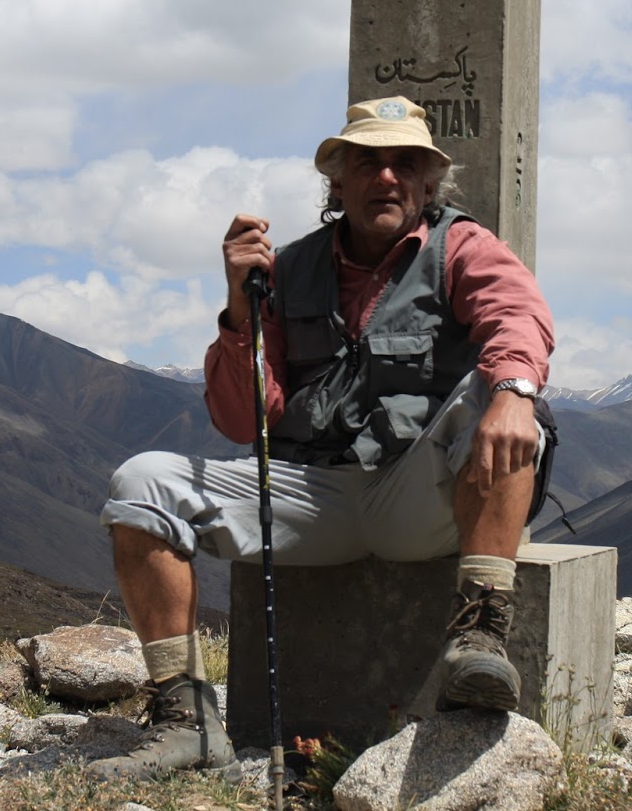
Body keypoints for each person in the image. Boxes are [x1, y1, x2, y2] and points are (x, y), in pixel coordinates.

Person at [92, 95, 555, 782]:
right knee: (141, 483)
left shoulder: (462, 246)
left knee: (510, 394)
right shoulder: (283, 271)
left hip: (417, 496)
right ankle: (184, 716)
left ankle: (479, 635)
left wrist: (515, 394)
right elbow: (241, 419)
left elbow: (515, 314)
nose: (388, 177)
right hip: (310, 498)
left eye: (406, 164)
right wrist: (238, 306)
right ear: (337, 182)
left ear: (431, 182)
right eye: (368, 162)